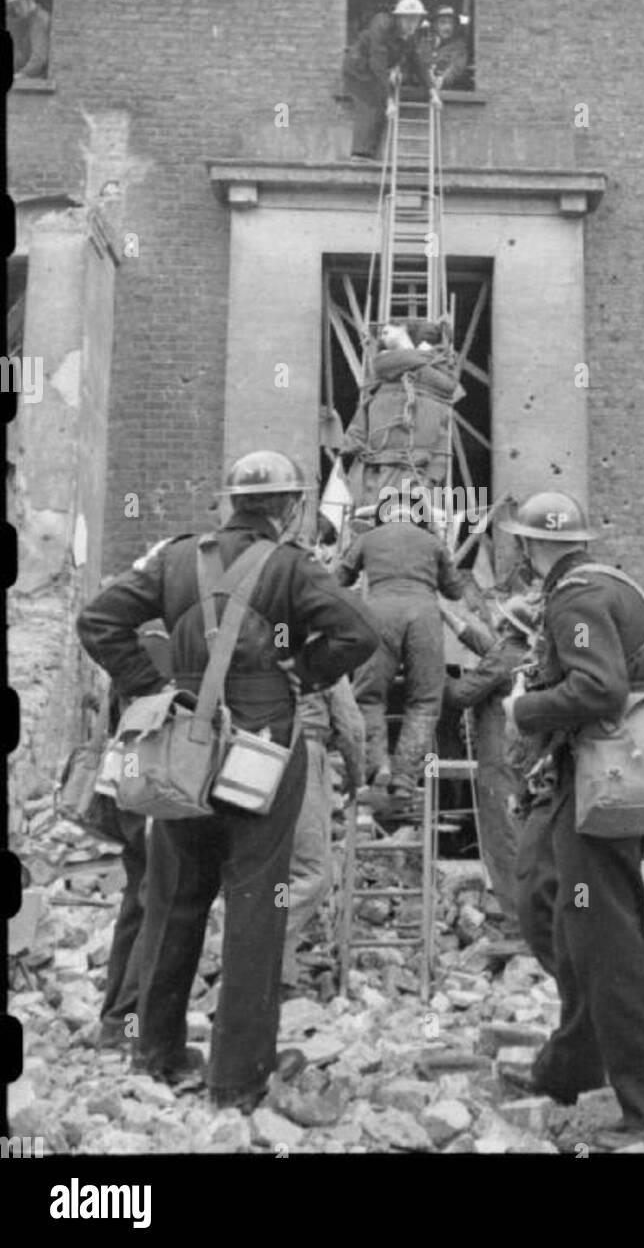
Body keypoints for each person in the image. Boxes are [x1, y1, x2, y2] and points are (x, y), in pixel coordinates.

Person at [76, 450, 379, 1113]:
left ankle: (154, 1051)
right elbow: (359, 632)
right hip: (262, 752)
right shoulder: (295, 566)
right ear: (290, 508)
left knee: (173, 898)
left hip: (181, 747)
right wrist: (305, 668)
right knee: (255, 908)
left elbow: (98, 622)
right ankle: (236, 1078)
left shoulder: (176, 558)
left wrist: (154, 687)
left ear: (233, 501)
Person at [499, 491, 644, 1154]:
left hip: (599, 789)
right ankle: (574, 1064)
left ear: (531, 547)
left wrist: (523, 710)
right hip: (589, 785)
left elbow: (599, 689)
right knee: (556, 913)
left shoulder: (576, 598)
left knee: (608, 946)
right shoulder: (604, 585)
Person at [336, 484, 464, 809]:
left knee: (368, 695)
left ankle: (376, 766)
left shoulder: (368, 538)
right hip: (424, 617)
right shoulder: (432, 542)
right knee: (424, 701)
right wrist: (438, 542)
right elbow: (455, 592)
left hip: (377, 614)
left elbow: (337, 579)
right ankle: (406, 779)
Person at [441, 593, 542, 920]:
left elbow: (461, 695)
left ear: (506, 625)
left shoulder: (504, 659)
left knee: (502, 840)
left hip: (498, 762)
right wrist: (451, 618)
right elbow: (489, 647)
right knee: (520, 834)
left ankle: (517, 918)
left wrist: (430, 668)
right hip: (522, 759)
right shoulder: (525, 654)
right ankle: (529, 913)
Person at [97, 623, 171, 1052]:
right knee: (153, 905)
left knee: (135, 906)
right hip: (146, 785)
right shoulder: (162, 650)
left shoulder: (131, 649)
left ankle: (113, 1022)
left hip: (125, 782)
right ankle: (126, 1024)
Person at [281, 675, 365, 990]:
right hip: (302, 751)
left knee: (282, 873)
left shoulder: (252, 642)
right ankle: (256, 942)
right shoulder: (322, 652)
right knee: (314, 874)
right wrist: (356, 777)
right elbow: (351, 728)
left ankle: (280, 976)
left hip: (252, 752)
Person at [342, 0, 434, 160]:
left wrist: (432, 91)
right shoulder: (382, 25)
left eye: (415, 19)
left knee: (380, 102)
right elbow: (378, 64)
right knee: (370, 102)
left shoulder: (410, 36)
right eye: (407, 19)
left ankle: (369, 153)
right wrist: (389, 99)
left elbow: (418, 62)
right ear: (398, 18)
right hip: (359, 67)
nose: (411, 24)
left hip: (377, 69)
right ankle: (360, 153)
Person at [7, 0, 51, 79]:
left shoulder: (40, 20)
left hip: (39, 79)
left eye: (19, 5)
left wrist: (23, 74)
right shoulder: (29, 21)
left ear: (28, 0)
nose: (17, 10)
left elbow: (39, 57)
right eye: (14, 6)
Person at [429, 5, 469, 91]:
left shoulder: (459, 47)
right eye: (443, 22)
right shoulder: (428, 44)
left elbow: (456, 68)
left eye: (450, 23)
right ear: (435, 26)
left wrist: (442, 79)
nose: (447, 27)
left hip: (449, 93)